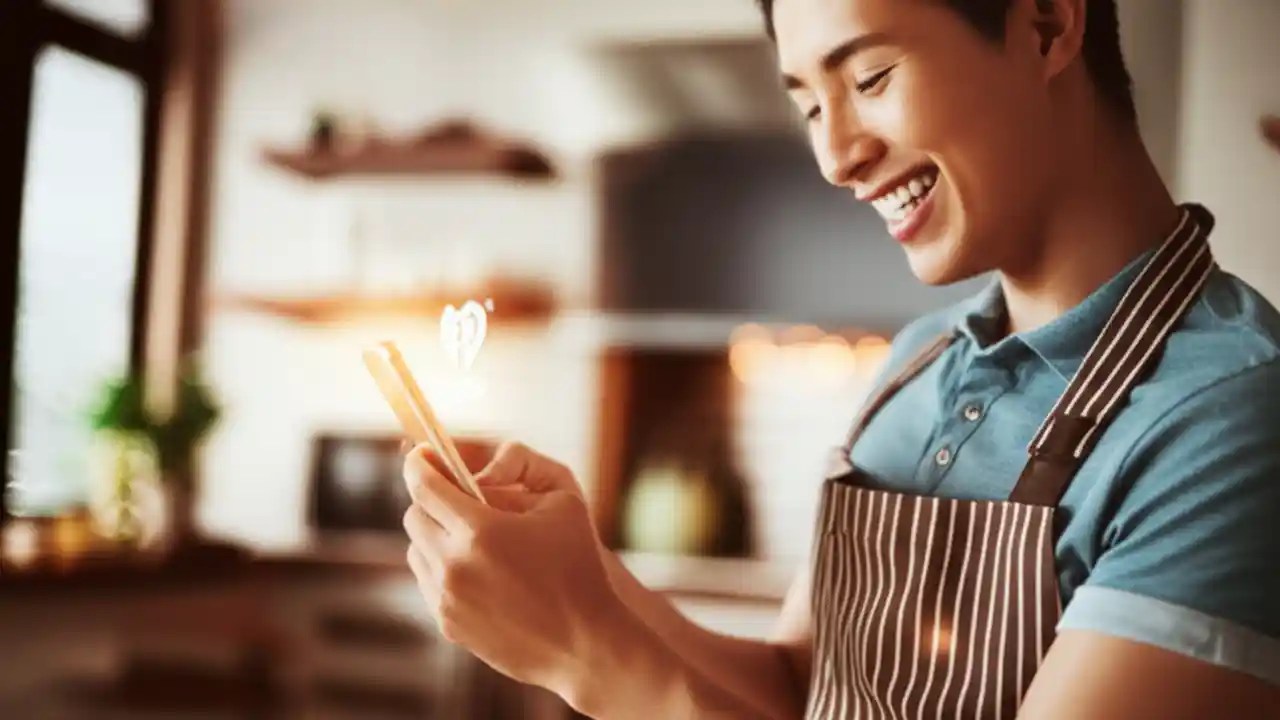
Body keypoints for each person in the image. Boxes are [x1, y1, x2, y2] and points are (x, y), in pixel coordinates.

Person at [400, 0, 1280, 717]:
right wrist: (590, 582)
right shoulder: (917, 364)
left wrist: (583, 650)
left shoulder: (1231, 418)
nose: (835, 156)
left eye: (871, 78)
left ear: (1046, 24)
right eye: (811, 106)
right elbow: (803, 689)